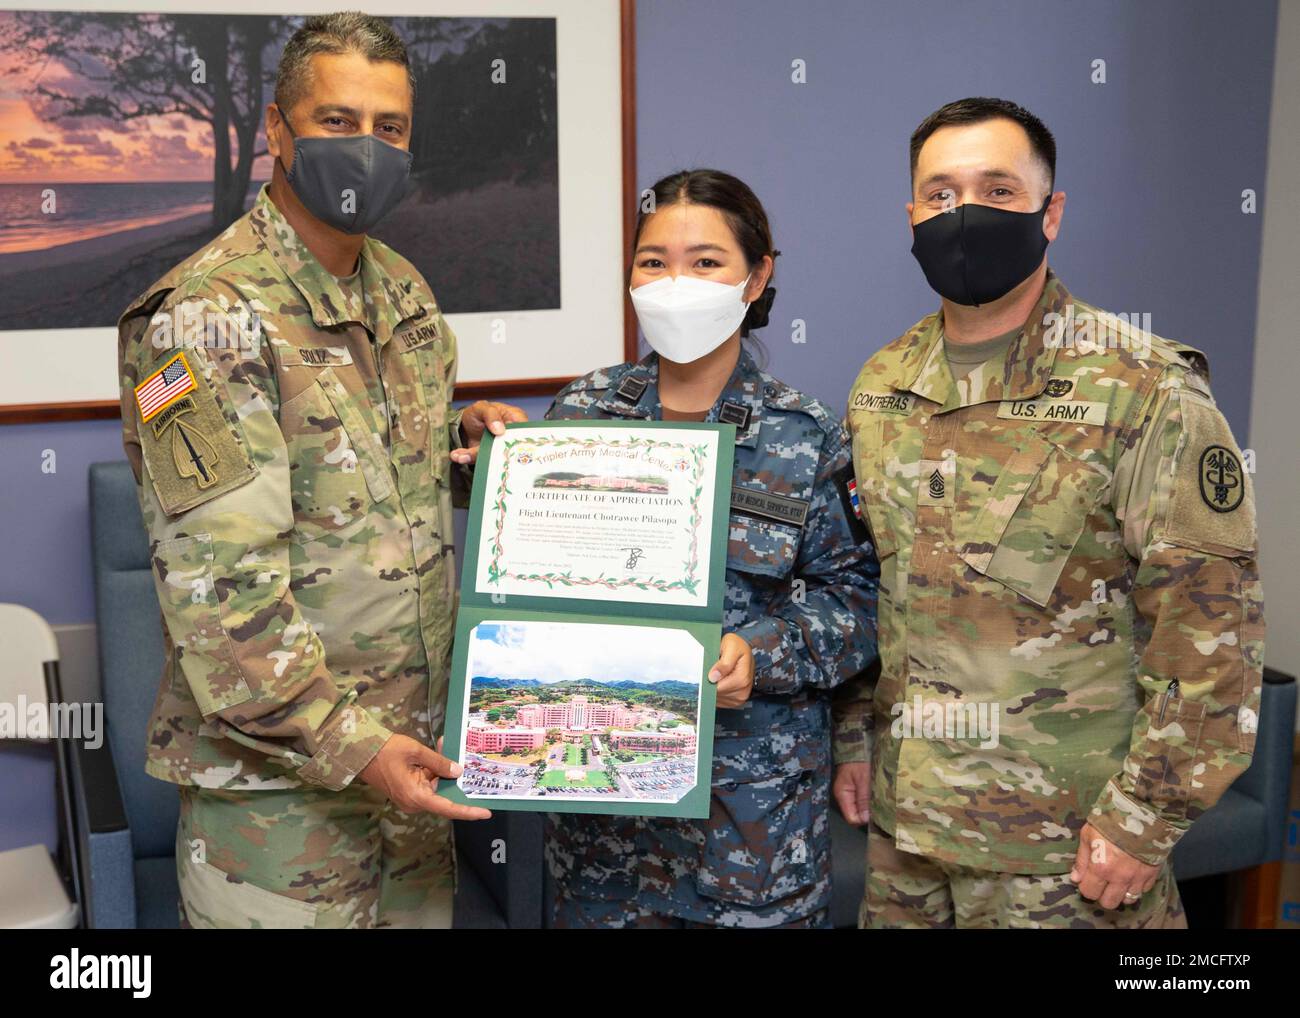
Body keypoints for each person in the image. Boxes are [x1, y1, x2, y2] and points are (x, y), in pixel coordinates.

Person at [116, 12, 524, 928]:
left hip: (409, 778)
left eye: (391, 128)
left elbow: (374, 476)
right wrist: (359, 747)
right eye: (337, 122)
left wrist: (473, 450)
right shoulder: (200, 319)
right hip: (281, 810)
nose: (367, 148)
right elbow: (220, 598)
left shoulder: (403, 292)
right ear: (276, 130)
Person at [832, 97, 1264, 928]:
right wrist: (855, 743)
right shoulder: (882, 384)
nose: (965, 214)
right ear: (914, 213)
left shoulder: (1144, 389)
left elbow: (1213, 635)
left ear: (1050, 212)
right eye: (942, 193)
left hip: (1065, 853)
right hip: (907, 838)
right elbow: (869, 584)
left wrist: (1143, 824)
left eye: (998, 191)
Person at [543, 168, 880, 928]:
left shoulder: (808, 435)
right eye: (653, 261)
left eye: (705, 262)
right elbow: (532, 591)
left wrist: (760, 652)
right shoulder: (581, 414)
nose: (674, 281)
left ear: (757, 277)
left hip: (750, 836)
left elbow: (859, 602)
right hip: (602, 836)